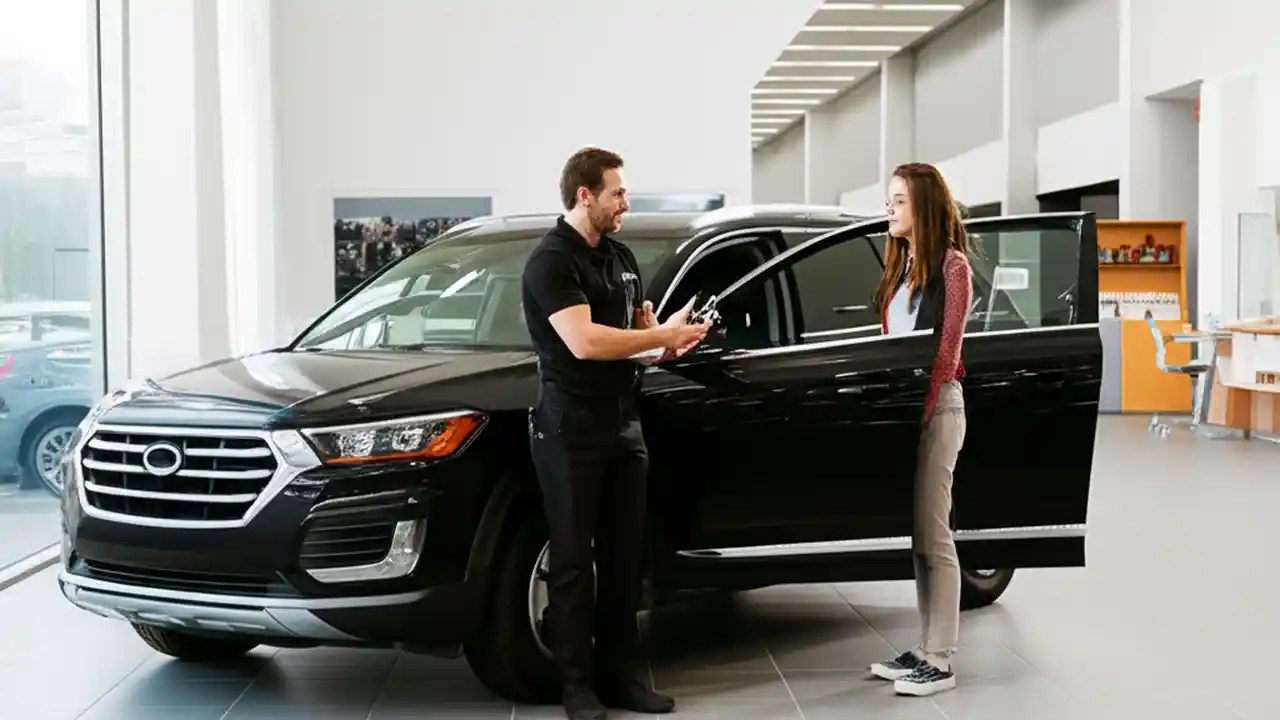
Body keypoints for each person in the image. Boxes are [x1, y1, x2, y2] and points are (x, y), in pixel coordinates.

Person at [521, 146, 710, 720]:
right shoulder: (550, 262)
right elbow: (586, 342)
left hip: (623, 425)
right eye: (617, 193)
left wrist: (666, 339)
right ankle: (576, 687)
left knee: (626, 559)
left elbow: (636, 351)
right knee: (575, 562)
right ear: (585, 195)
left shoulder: (622, 257)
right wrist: (651, 339)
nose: (626, 202)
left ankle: (622, 676)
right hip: (569, 427)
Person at [867, 162, 973, 698]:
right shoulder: (903, 266)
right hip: (910, 410)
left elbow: (946, 351)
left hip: (938, 407)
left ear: (924, 206)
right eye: (889, 200)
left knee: (936, 535)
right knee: (917, 537)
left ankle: (942, 658)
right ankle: (925, 644)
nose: (890, 209)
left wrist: (923, 412)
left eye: (899, 200)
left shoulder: (952, 268)